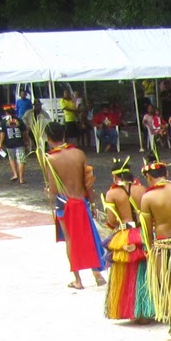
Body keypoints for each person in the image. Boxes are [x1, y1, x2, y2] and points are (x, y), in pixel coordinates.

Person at [40, 122, 106, 291]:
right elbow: (88, 182)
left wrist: (48, 190)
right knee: (88, 235)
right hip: (81, 200)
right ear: (64, 135)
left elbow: (54, 189)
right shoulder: (79, 153)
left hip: (65, 203)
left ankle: (77, 279)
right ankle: (97, 273)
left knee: (70, 240)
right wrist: (92, 202)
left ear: (48, 139)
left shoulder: (51, 158)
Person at [138, 158, 171, 341]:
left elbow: (145, 231)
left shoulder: (148, 197)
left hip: (164, 247)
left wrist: (149, 249)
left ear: (148, 177)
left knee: (169, 289)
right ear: (166, 174)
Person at [101, 159, 153, 322]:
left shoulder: (112, 193)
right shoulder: (142, 189)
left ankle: (131, 311)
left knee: (126, 273)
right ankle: (146, 310)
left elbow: (112, 220)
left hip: (125, 233)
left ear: (114, 176)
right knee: (144, 270)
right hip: (142, 232)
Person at [0, 104, 28, 185]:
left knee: (12, 158)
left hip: (9, 143)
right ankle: (21, 179)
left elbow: (2, 134)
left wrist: (0, 144)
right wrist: (26, 140)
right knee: (21, 160)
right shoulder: (19, 120)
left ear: (6, 112)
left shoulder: (4, 121)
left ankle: (15, 174)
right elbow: (24, 132)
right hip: (19, 143)